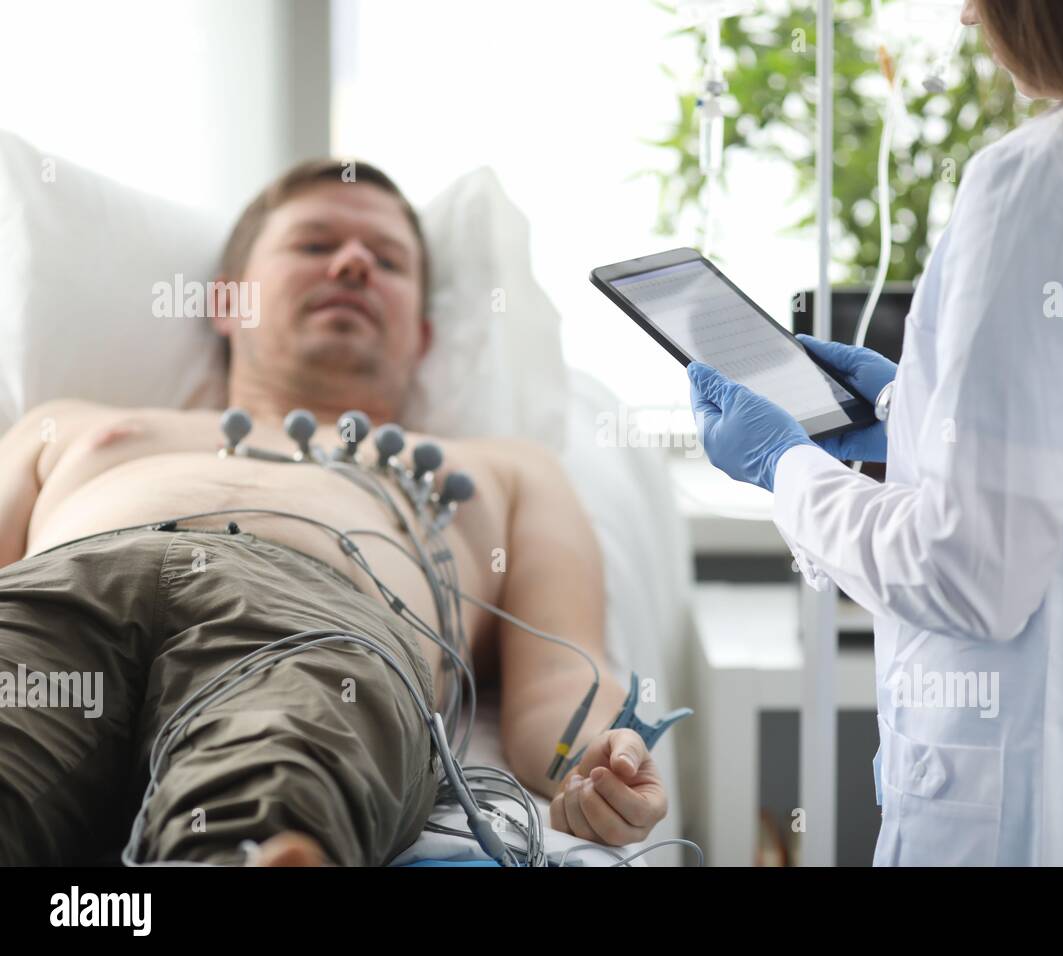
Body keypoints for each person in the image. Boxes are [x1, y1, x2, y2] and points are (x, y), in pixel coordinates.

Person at [689, 0, 1063, 865]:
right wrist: (914, 411)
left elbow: (968, 572)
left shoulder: (1045, 183)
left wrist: (786, 470)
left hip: (1049, 810)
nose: (970, 14)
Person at [0, 159, 667, 865]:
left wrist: (597, 758)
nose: (352, 265)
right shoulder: (64, 425)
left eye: (387, 261)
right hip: (65, 595)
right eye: (315, 245)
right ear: (228, 302)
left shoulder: (508, 469)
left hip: (323, 624)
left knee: (285, 769)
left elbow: (563, 678)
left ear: (422, 336)